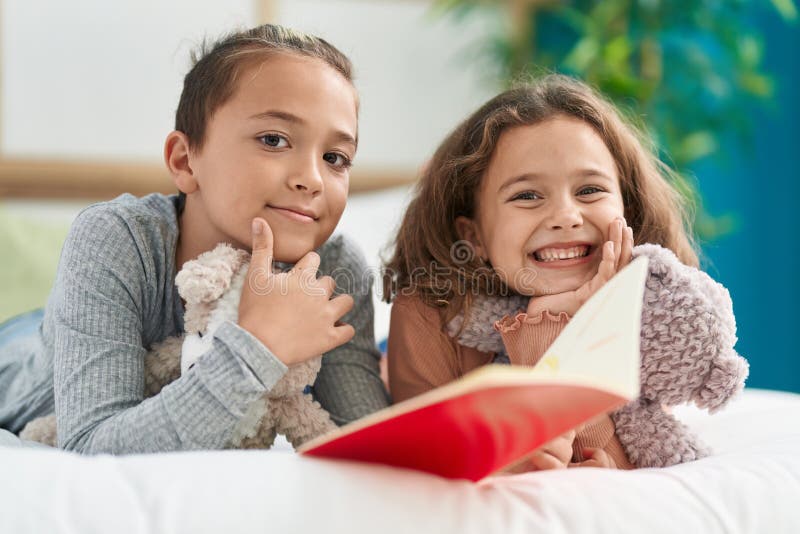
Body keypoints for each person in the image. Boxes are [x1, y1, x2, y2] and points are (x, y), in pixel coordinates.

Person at [0, 23, 389, 452]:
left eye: (335, 158)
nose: (312, 179)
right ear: (185, 161)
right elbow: (92, 446)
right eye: (274, 139)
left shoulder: (334, 266)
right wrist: (258, 348)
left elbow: (366, 437)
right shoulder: (116, 239)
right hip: (25, 352)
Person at [383, 74, 727, 471]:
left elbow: (630, 453)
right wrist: (507, 464)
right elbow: (420, 463)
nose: (566, 216)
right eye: (527, 195)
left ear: (626, 210)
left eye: (589, 190)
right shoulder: (429, 314)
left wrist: (555, 330)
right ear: (473, 234)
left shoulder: (650, 316)